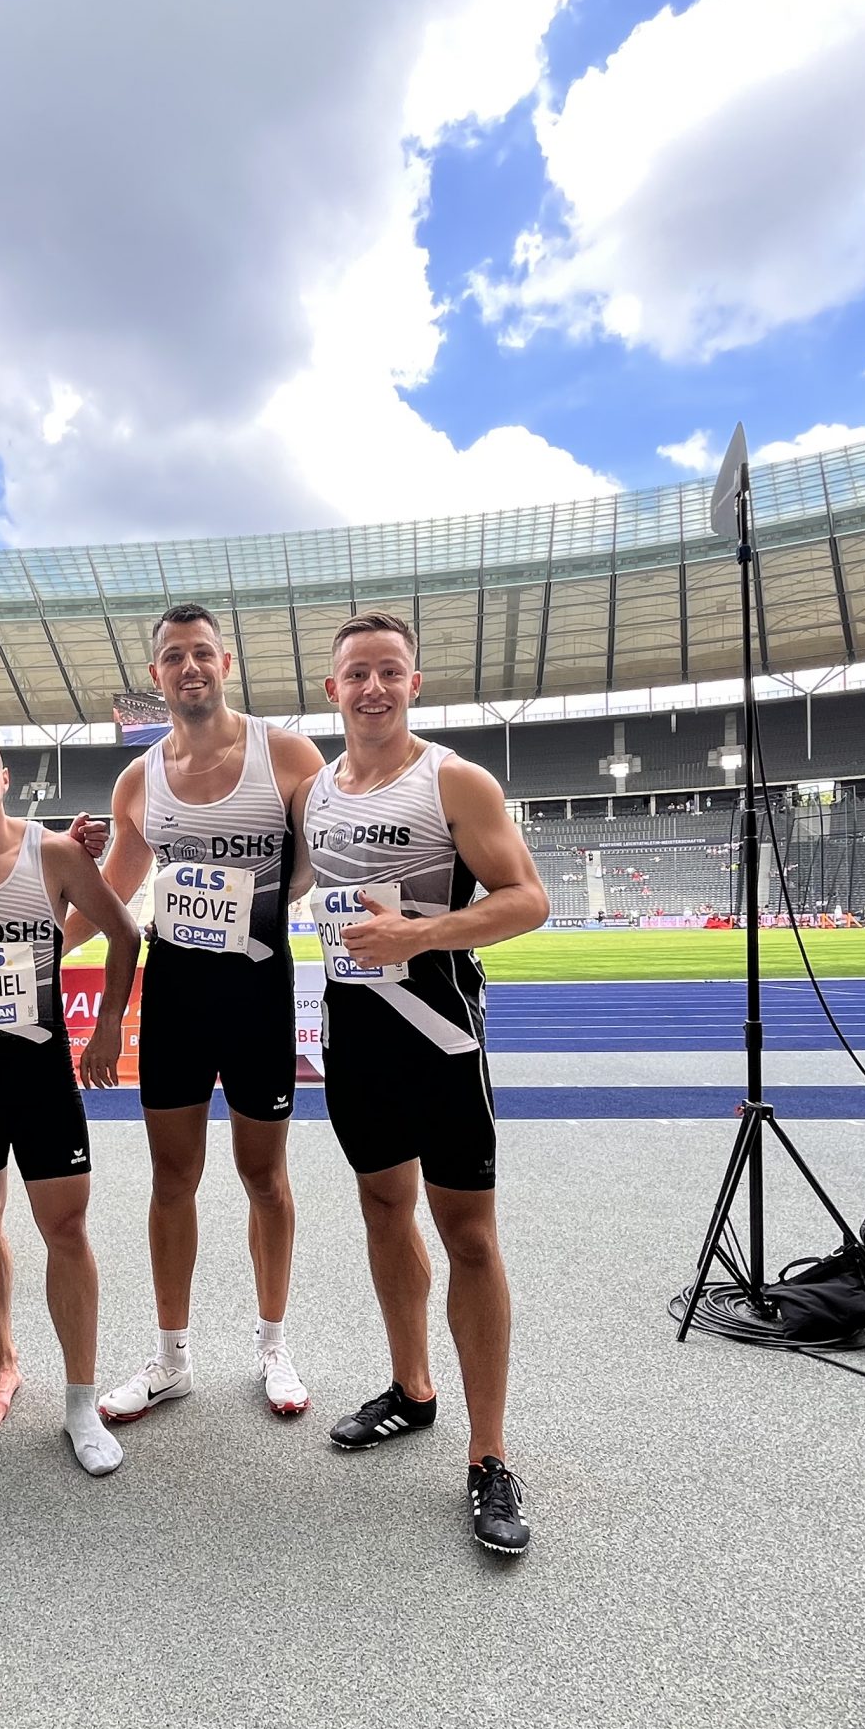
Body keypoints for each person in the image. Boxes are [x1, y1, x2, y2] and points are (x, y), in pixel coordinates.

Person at [300, 611, 549, 1557]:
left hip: (441, 1039)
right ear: (333, 690)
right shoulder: (313, 793)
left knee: (471, 1239)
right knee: (380, 1207)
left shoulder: (454, 779)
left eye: (389, 672)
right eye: (356, 674)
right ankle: (413, 1389)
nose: (372, 688)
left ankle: (489, 1456)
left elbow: (527, 899)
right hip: (352, 1040)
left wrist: (419, 935)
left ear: (414, 683)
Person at [69, 601, 324, 1425]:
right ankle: (171, 1358)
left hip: (257, 994)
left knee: (264, 1177)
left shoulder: (285, 754)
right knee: (172, 1179)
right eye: (174, 656)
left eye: (203, 653)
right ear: (156, 677)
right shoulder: (137, 779)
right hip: (175, 997)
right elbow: (112, 895)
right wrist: (43, 943)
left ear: (226, 664)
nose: (190, 667)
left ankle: (274, 1346)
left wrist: (252, 902)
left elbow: (324, 859)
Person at [0, 720, 140, 1474]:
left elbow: (124, 933)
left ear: (4, 777)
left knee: (65, 1228)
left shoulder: (53, 854)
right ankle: (4, 1363)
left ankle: (81, 1402)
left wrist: (107, 1026)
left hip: (40, 1070)